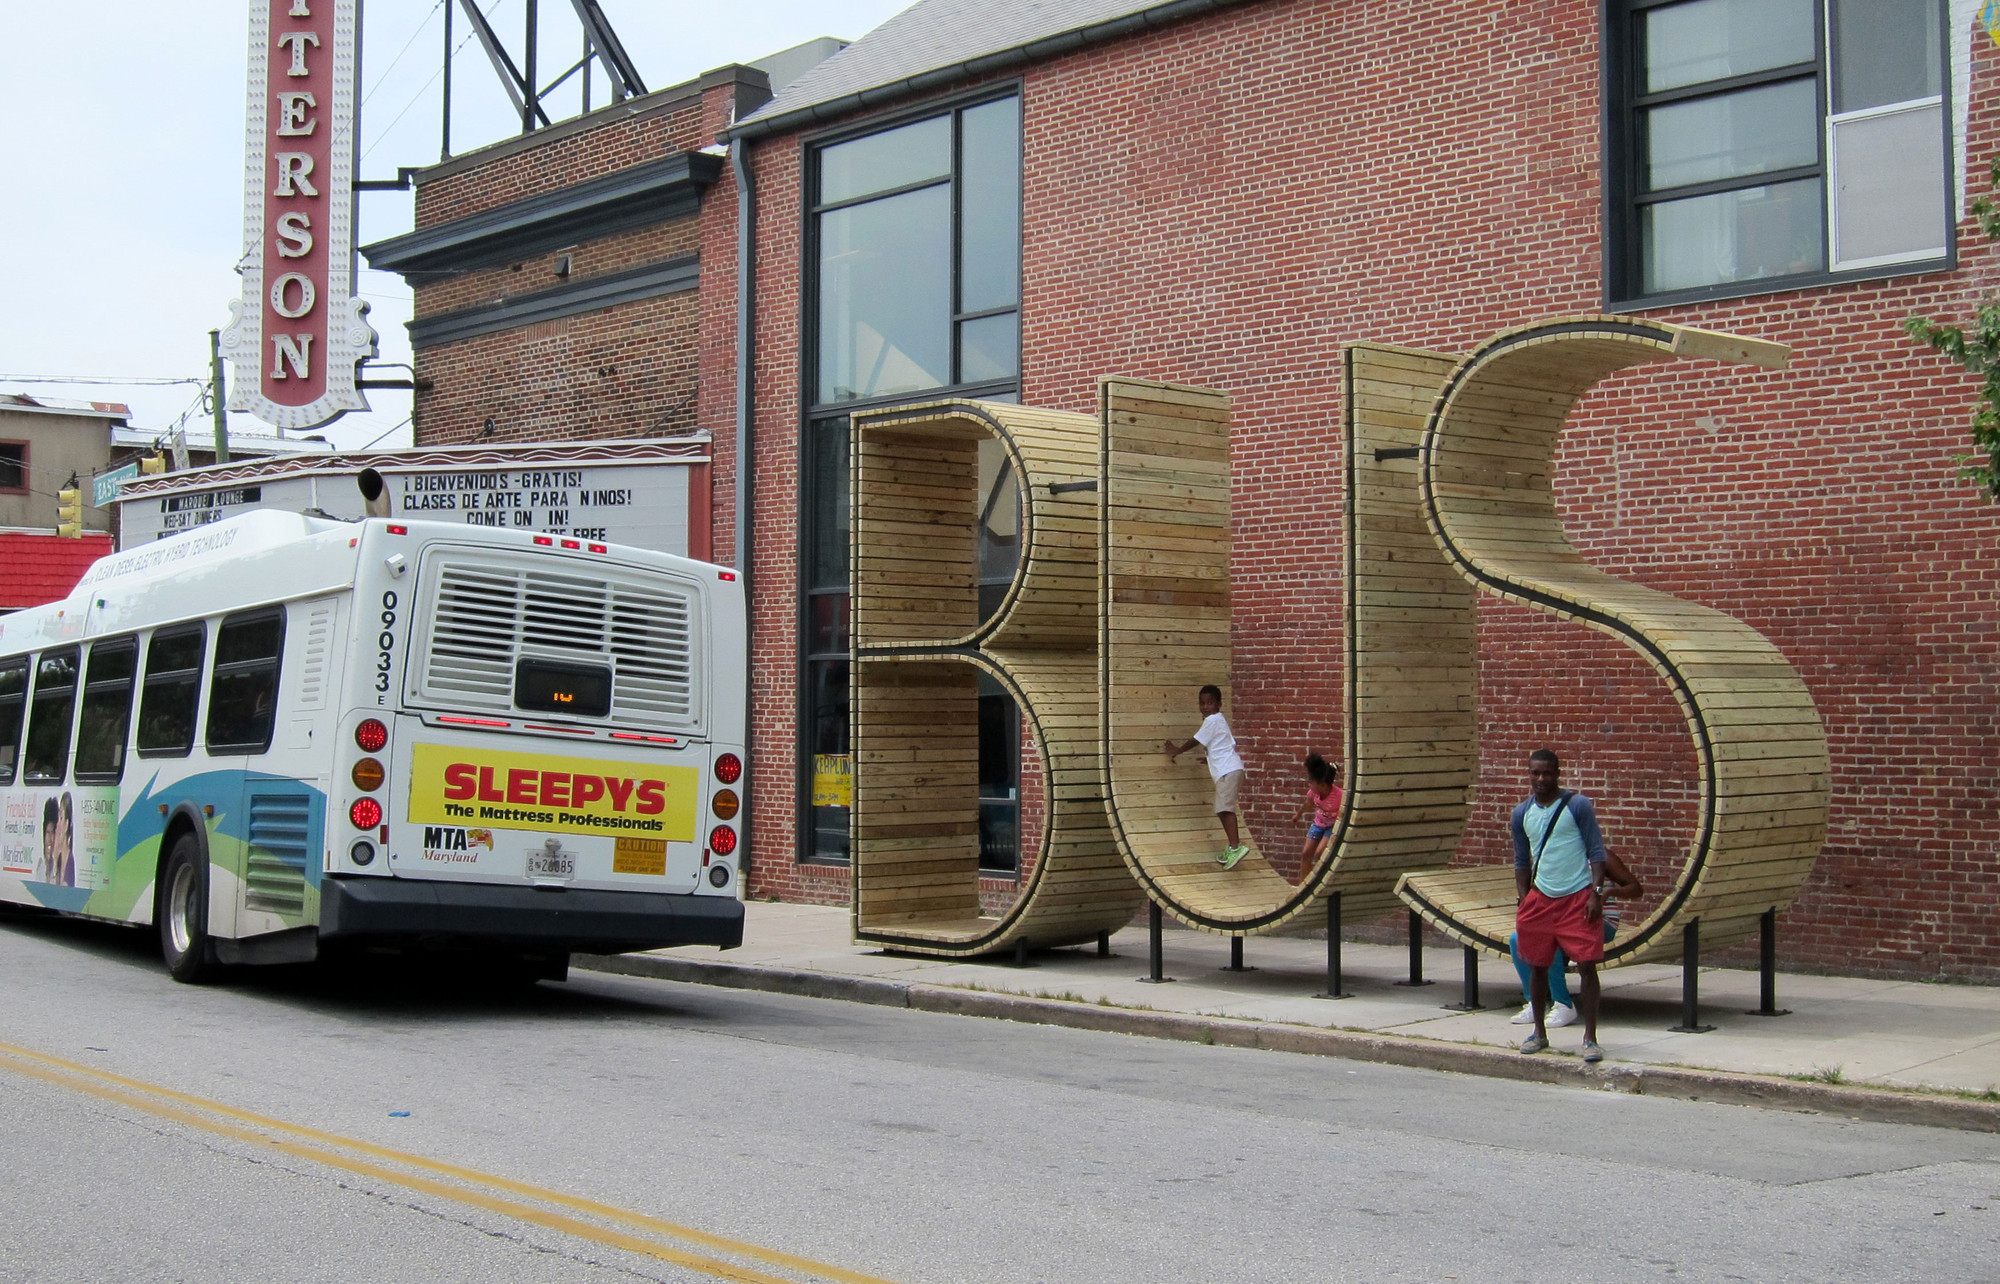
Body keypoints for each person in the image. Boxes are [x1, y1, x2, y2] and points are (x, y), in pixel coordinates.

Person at [1513, 748, 1613, 1062]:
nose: (1541, 779)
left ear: (1558, 773)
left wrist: (1595, 893)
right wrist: (1524, 897)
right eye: (1535, 773)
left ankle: (1590, 1037)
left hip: (1577, 897)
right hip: (1541, 898)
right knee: (1538, 966)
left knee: (1586, 965)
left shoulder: (1578, 805)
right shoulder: (1521, 814)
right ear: (1529, 774)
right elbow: (1521, 861)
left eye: (1547, 773)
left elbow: (1597, 852)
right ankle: (1539, 1033)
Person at [1509, 846, 1643, 1026]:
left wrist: (1608, 892)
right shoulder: (1550, 855)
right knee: (1516, 939)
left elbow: (1636, 888)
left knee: (1552, 940)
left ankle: (1563, 1004)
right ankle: (1534, 1003)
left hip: (1599, 921)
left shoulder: (1600, 855)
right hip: (1562, 919)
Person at [1164, 684, 1249, 868]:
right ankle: (1231, 847)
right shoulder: (1218, 720)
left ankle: (1236, 847)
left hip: (1229, 770)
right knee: (1222, 809)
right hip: (1230, 769)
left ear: (1218, 704)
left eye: (1210, 703)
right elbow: (1223, 745)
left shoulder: (1213, 720)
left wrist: (1177, 750)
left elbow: (1195, 740)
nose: (1205, 707)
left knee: (1224, 809)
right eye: (1202, 703)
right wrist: (1209, 759)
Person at [1294, 753, 1342, 863]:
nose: (1309, 785)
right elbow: (1308, 804)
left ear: (1323, 785)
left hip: (1332, 826)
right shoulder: (1313, 793)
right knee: (1306, 853)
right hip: (1318, 823)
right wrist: (1298, 814)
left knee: (1319, 853)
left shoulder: (1339, 796)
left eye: (1311, 782)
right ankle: (1304, 880)